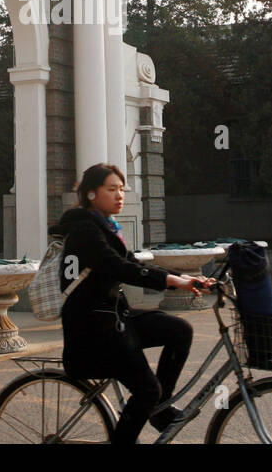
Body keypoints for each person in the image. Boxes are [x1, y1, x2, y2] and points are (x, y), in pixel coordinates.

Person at [56, 163, 211, 444]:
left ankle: (158, 411)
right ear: (92, 194)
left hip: (113, 319)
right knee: (146, 390)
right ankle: (148, 410)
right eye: (111, 189)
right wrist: (172, 282)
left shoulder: (104, 228)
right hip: (92, 331)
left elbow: (132, 263)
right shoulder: (84, 231)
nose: (120, 196)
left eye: (121, 190)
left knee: (179, 330)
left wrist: (183, 277)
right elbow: (119, 268)